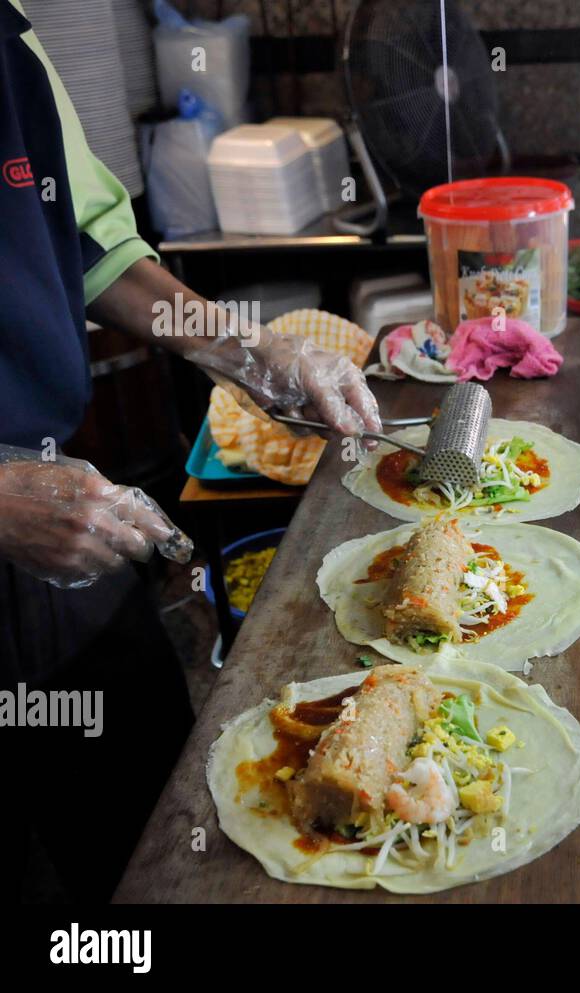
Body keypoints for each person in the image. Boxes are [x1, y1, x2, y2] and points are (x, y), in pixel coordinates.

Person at [0, 0, 382, 901]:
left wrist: (247, 353)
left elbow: (92, 244)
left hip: (65, 532)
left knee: (162, 825)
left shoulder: (9, 40)